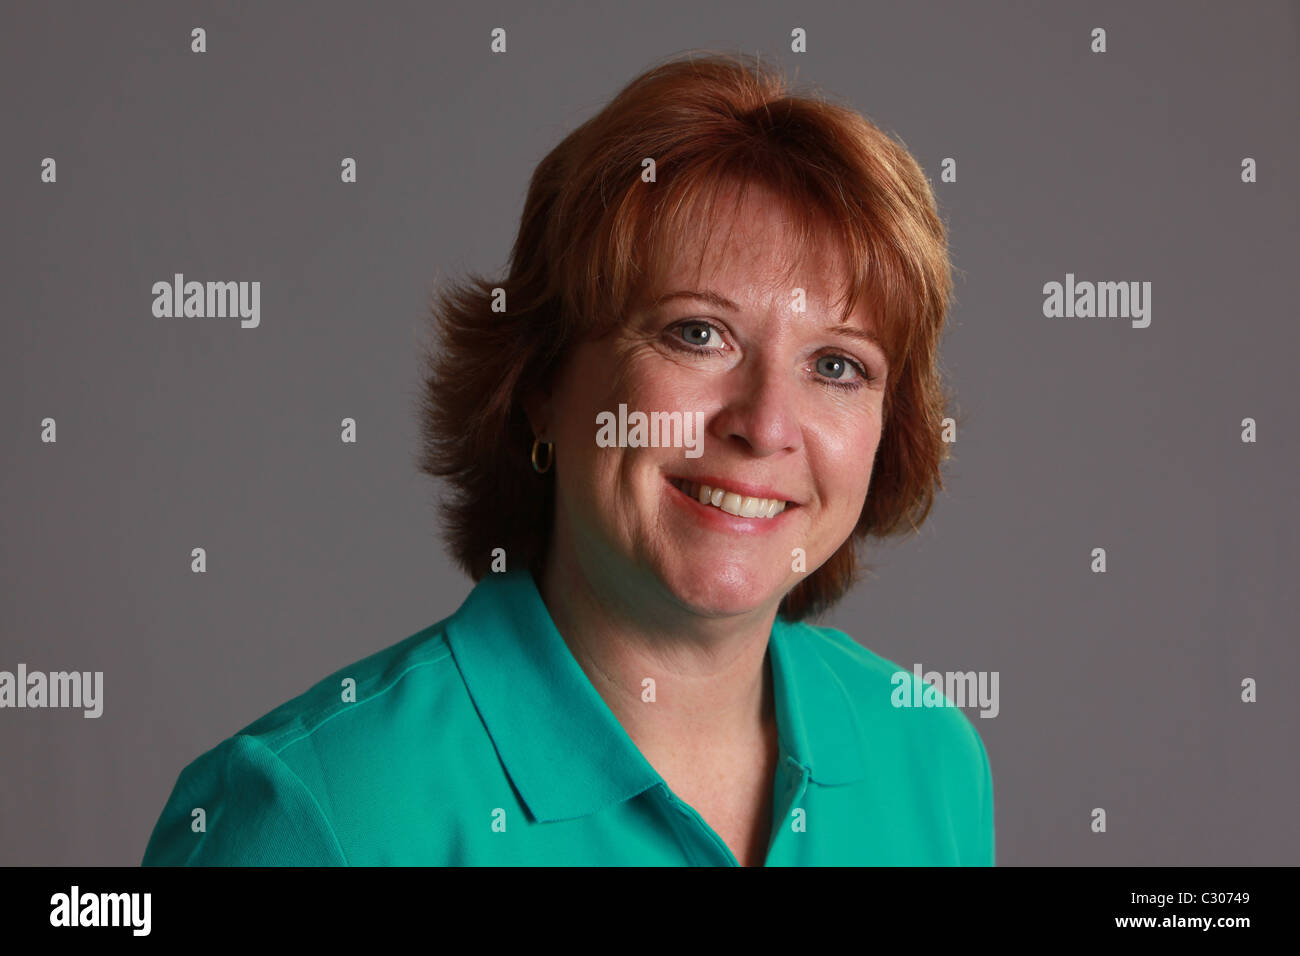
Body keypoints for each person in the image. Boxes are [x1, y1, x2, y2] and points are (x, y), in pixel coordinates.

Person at [142, 50, 993, 867]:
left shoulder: (926, 757)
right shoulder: (312, 816)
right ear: (543, 380)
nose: (766, 425)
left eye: (837, 365)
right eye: (697, 334)